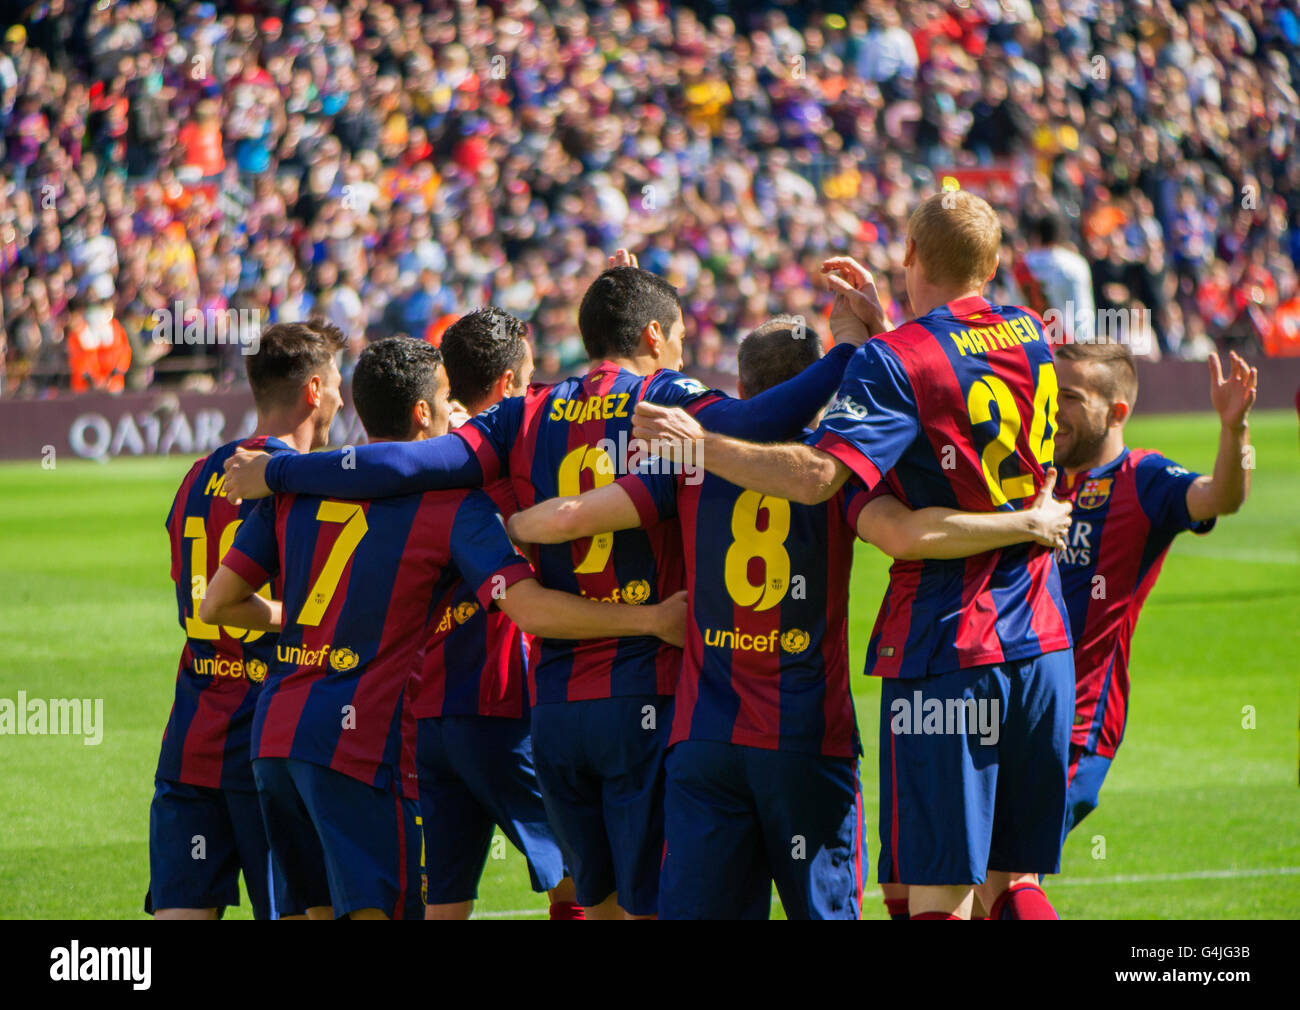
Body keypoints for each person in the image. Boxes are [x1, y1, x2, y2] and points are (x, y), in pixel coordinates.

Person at [220, 252, 873, 919]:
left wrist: (285, 474)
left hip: (556, 712)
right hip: (647, 695)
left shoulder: (525, 415)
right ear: (655, 338)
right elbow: (763, 421)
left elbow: (410, 462)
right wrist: (850, 349)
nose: (677, 351)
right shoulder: (668, 401)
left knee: (605, 907)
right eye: (673, 337)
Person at [509, 314, 1075, 919]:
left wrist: (512, 527)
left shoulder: (688, 464)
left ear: (743, 387)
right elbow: (907, 534)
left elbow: (576, 516)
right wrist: (1025, 523)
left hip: (706, 737)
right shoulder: (843, 474)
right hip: (807, 735)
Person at [633, 192, 1075, 920]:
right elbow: (954, 377)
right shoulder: (1030, 331)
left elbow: (817, 476)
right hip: (1043, 635)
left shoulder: (890, 360)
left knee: (940, 893)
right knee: (1014, 882)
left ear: (907, 256)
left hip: (950, 642)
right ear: (993, 265)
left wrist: (694, 443)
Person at [201, 337, 687, 920]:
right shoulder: (450, 504)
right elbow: (528, 608)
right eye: (446, 398)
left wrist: (307, 619)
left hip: (274, 738)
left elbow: (220, 604)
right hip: (357, 745)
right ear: (423, 413)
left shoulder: (297, 491)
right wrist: (650, 619)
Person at [147, 318, 346, 920]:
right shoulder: (301, 487)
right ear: (314, 390)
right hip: (266, 740)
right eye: (337, 380)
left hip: (189, 734)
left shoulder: (197, 474)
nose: (342, 394)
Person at [413, 307, 580, 920]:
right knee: (581, 874)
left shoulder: (421, 460)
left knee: (445, 900)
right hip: (498, 702)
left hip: (427, 707)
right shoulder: (518, 457)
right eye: (530, 377)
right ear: (510, 382)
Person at [1051, 343, 1255, 837]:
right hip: (1013, 704)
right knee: (958, 873)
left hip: (1079, 720)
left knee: (1006, 871)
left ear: (1116, 411)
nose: (1053, 409)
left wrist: (1234, 430)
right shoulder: (1038, 474)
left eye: (1070, 397)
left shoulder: (1143, 480)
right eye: (1050, 394)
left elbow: (1221, 498)